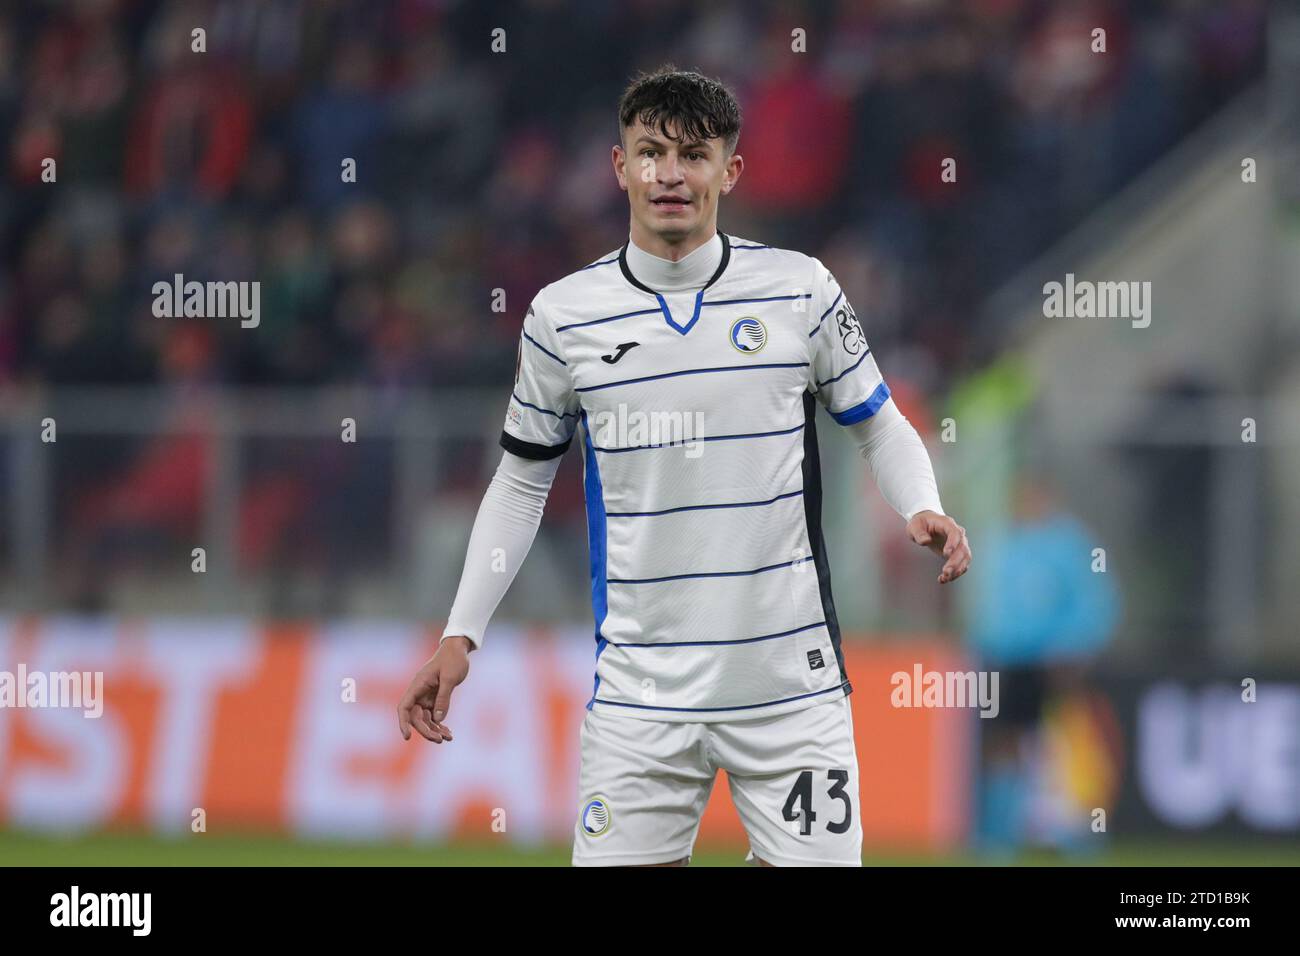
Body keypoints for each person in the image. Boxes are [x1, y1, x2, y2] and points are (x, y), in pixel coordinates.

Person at [397, 65, 971, 867]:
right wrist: (462, 633)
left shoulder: (800, 290)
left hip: (790, 689)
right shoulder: (564, 318)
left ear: (729, 171)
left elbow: (881, 427)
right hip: (641, 697)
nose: (670, 174)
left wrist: (921, 502)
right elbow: (523, 482)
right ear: (619, 166)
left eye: (693, 155)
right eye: (650, 152)